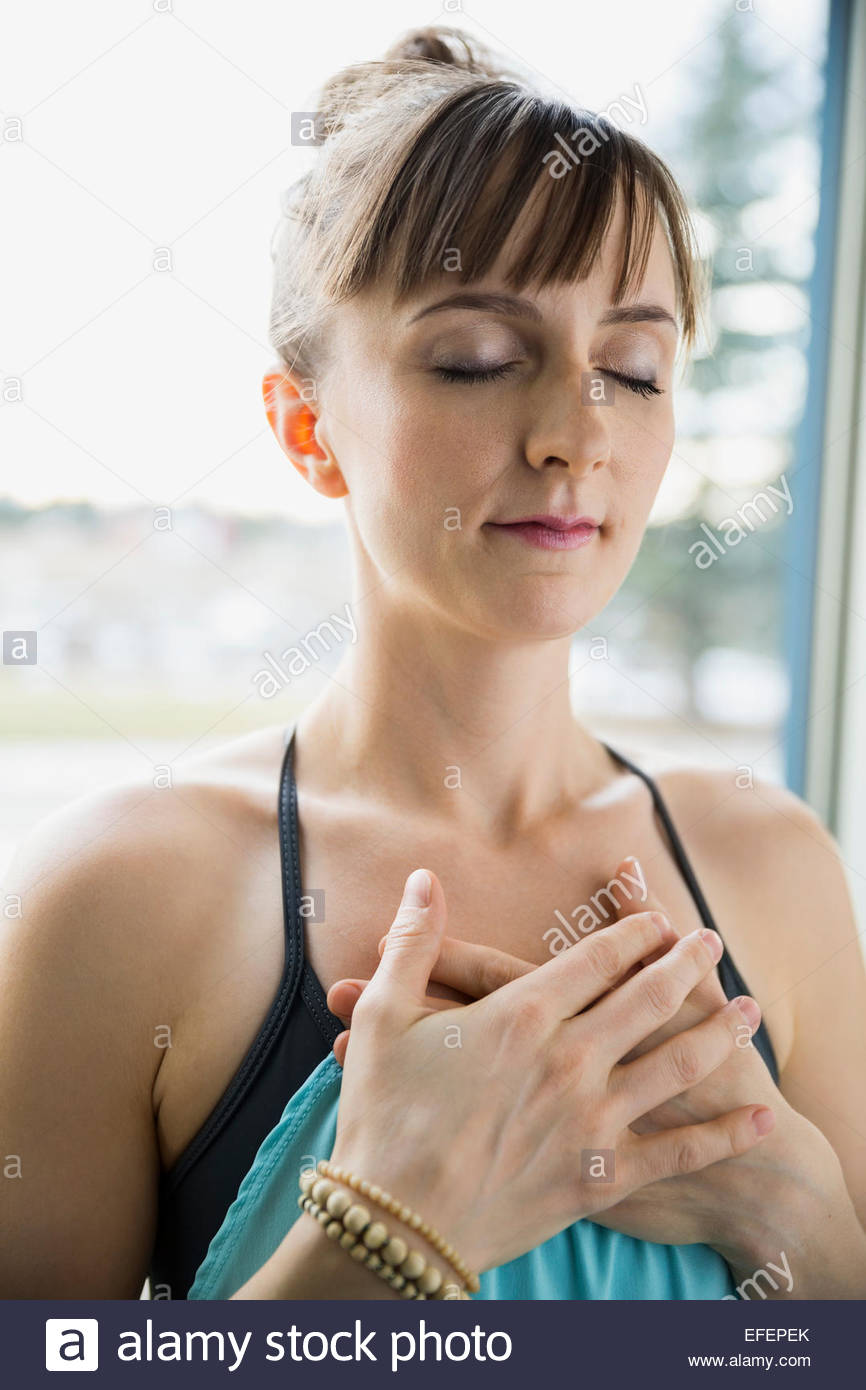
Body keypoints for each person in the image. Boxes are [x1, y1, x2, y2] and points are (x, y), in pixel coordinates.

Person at [2, 25, 865, 1302]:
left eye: (631, 368)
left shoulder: (773, 867)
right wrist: (387, 1232)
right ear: (308, 428)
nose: (576, 430)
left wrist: (791, 1210)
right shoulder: (116, 901)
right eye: (477, 359)